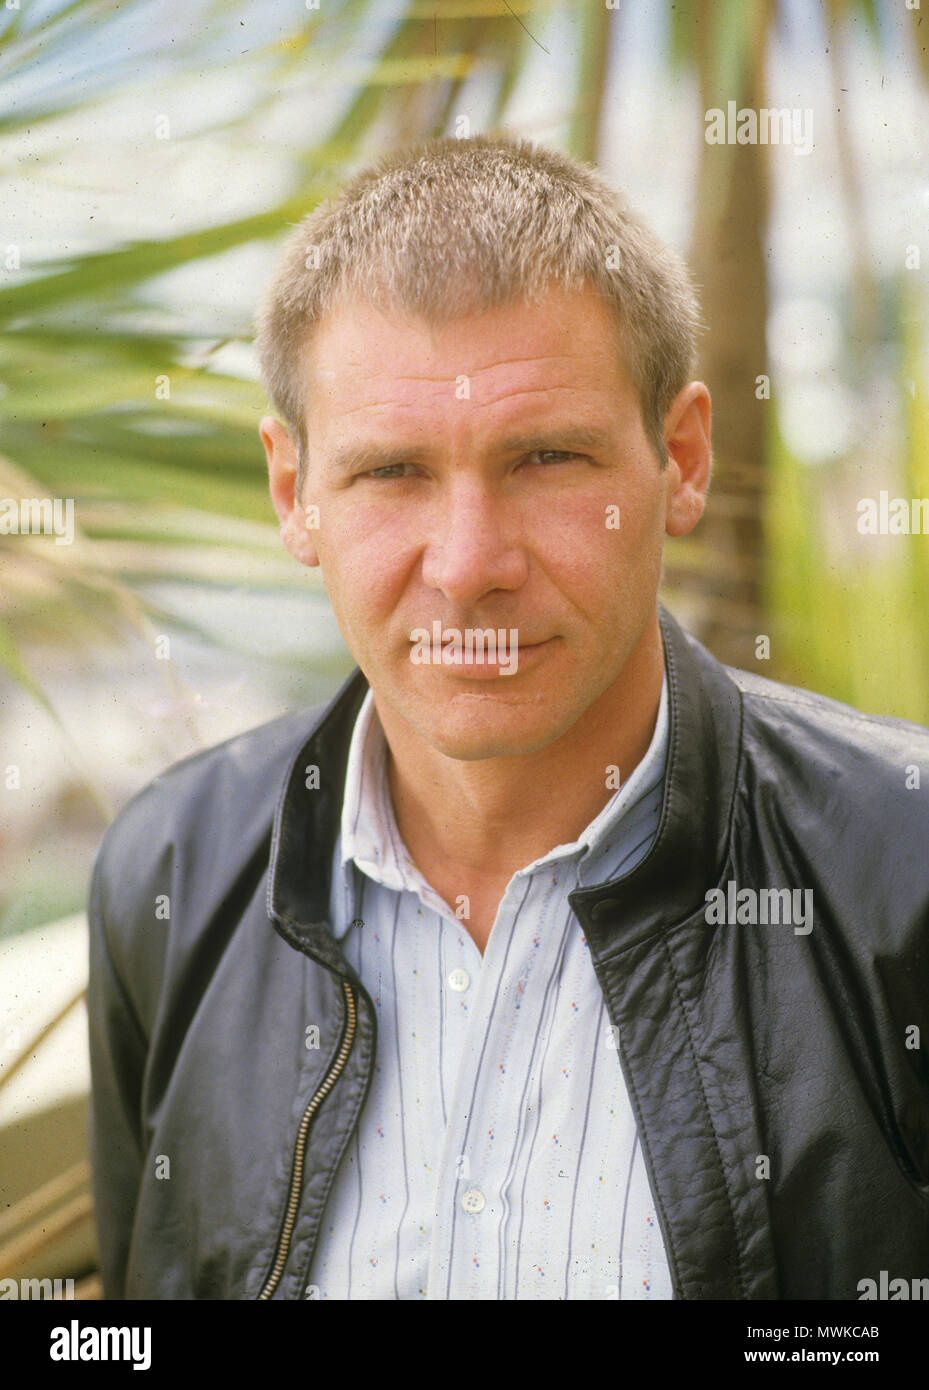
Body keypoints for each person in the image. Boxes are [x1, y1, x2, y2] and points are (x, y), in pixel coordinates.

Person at [87, 133, 929, 1301]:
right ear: (295, 493)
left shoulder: (903, 865)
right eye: (391, 473)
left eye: (545, 457)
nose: (470, 562)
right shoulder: (169, 873)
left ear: (679, 459)